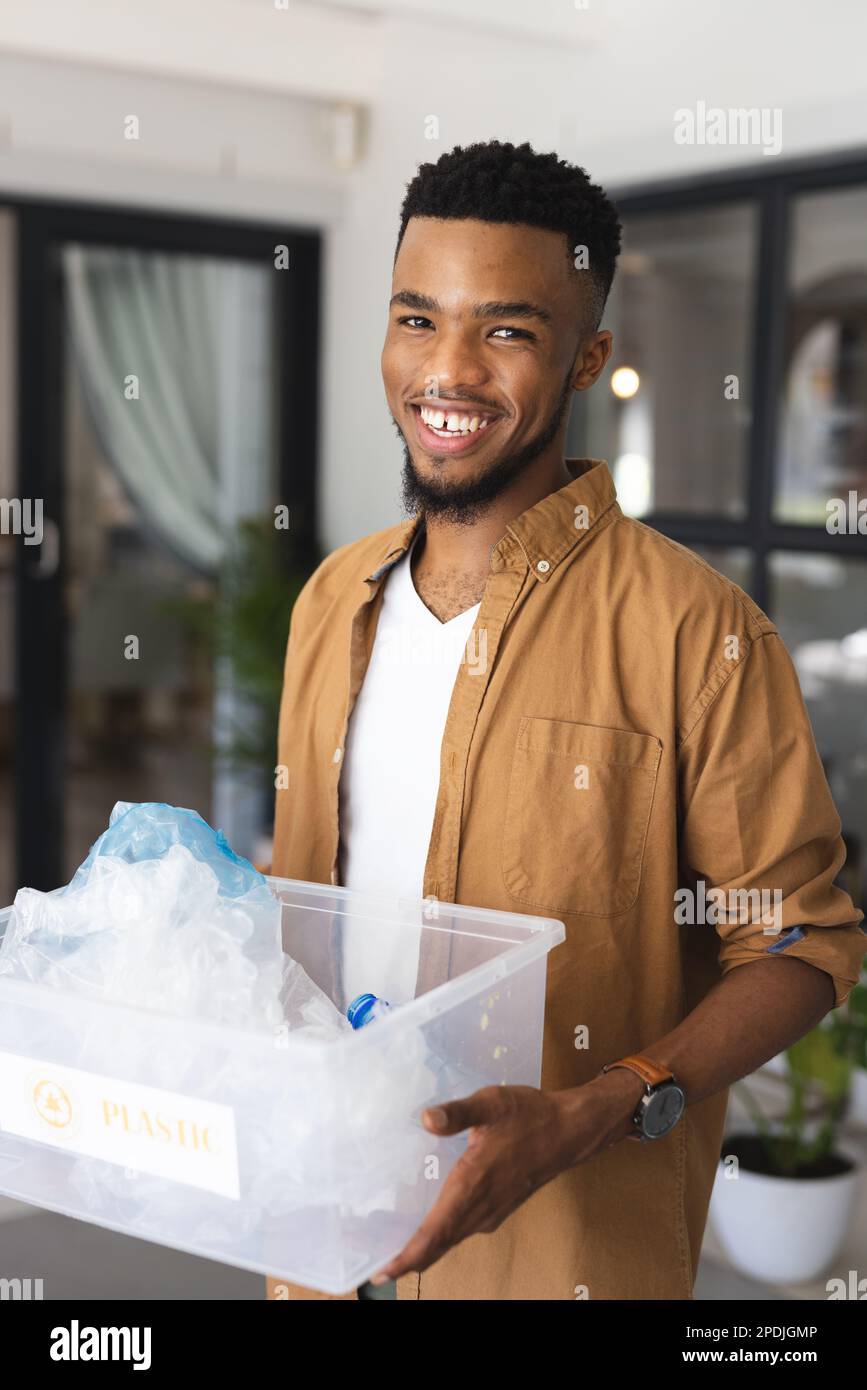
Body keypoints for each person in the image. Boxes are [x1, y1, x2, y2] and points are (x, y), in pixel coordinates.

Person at [266, 140, 866, 1301]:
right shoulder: (329, 600)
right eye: (416, 317)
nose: (447, 371)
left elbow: (802, 942)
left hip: (557, 1261)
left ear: (587, 355)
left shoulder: (702, 632)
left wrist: (604, 1103)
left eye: (505, 330)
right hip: (322, 1229)